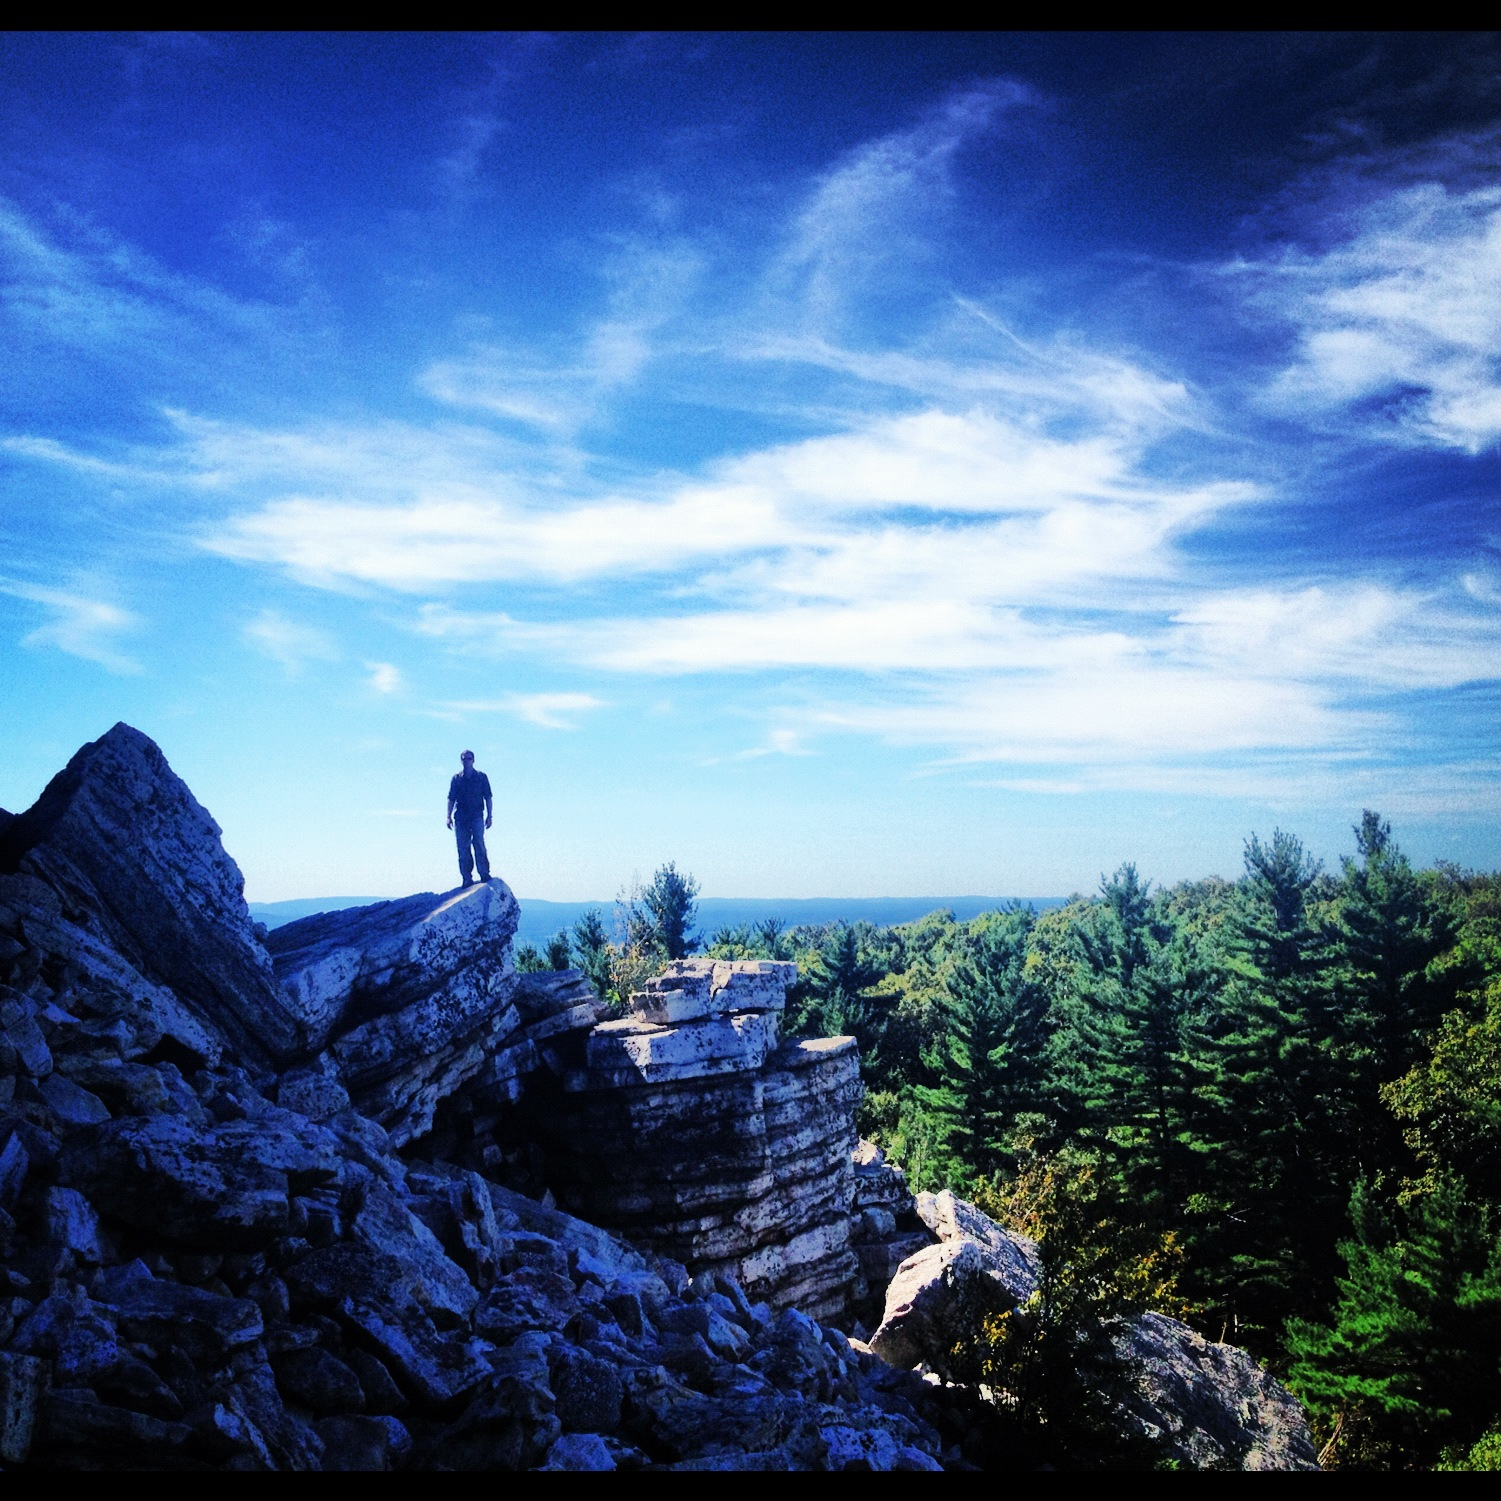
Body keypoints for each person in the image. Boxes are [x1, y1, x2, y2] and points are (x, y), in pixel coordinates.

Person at [446, 749, 493, 887]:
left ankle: (484, 873)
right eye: (464, 758)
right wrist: (448, 817)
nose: (466, 761)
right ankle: (467, 878)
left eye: (469, 758)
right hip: (461, 817)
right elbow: (451, 798)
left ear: (474, 760)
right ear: (461, 761)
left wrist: (490, 816)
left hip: (477, 816)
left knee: (479, 843)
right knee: (463, 848)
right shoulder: (456, 779)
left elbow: (488, 797)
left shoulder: (481, 777)